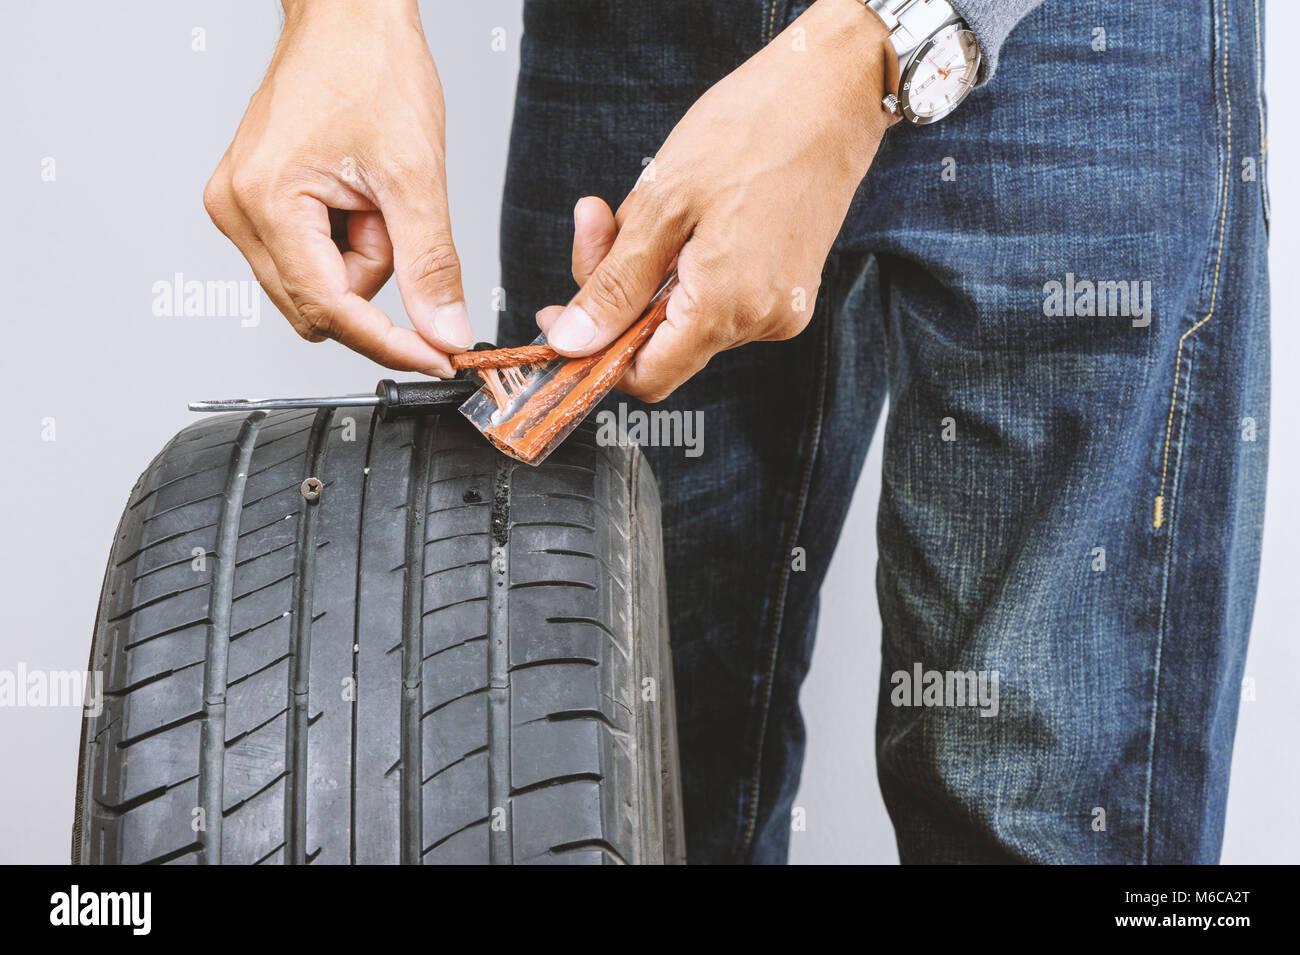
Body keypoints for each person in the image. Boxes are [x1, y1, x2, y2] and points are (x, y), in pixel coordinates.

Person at [203, 0, 1270, 864]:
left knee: (1033, 810)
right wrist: (338, 16)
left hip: (1075, 43)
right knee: (610, 780)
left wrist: (887, 33)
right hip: (638, 38)